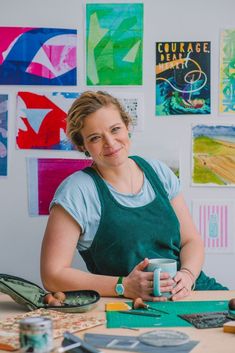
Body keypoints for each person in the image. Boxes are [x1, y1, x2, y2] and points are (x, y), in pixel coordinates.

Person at [40, 91, 228, 302]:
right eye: (95, 138)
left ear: (127, 126)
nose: (110, 143)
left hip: (193, 292)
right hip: (130, 306)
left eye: (115, 129)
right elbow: (52, 274)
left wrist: (188, 275)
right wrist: (123, 286)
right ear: (82, 145)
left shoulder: (158, 171)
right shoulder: (77, 192)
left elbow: (191, 241)